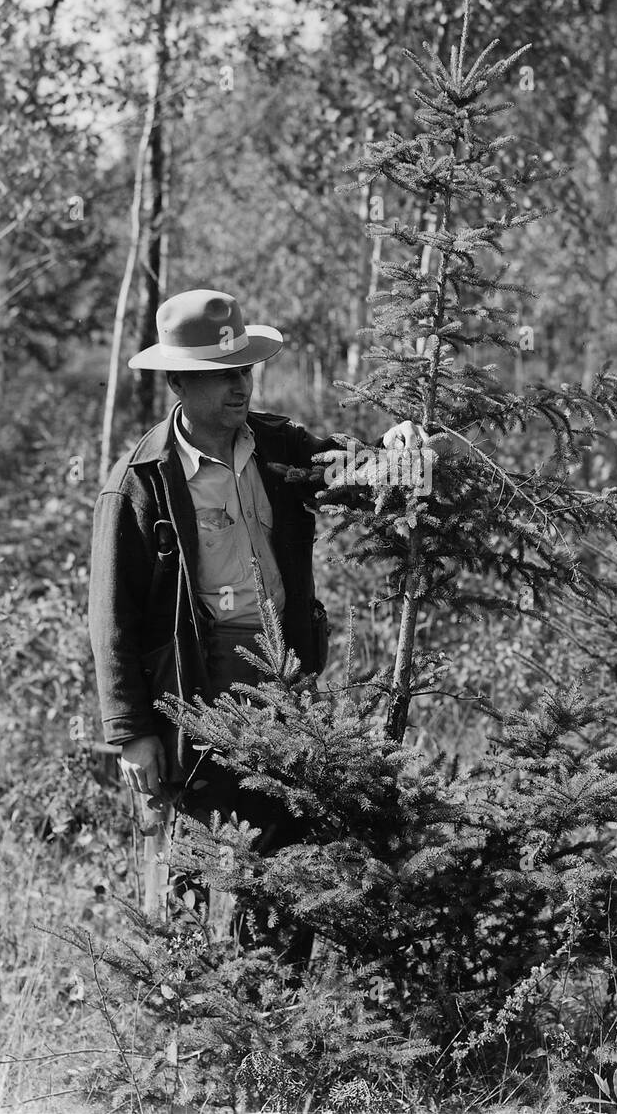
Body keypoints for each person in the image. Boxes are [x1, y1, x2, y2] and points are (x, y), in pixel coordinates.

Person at [88, 288, 422, 948]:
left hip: (285, 678)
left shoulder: (278, 445)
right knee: (210, 845)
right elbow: (111, 615)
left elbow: (358, 475)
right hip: (195, 688)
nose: (239, 386)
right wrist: (131, 734)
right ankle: (201, 998)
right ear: (178, 382)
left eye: (243, 370)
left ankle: (278, 991)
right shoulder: (141, 481)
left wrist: (400, 448)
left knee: (284, 834)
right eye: (220, 375)